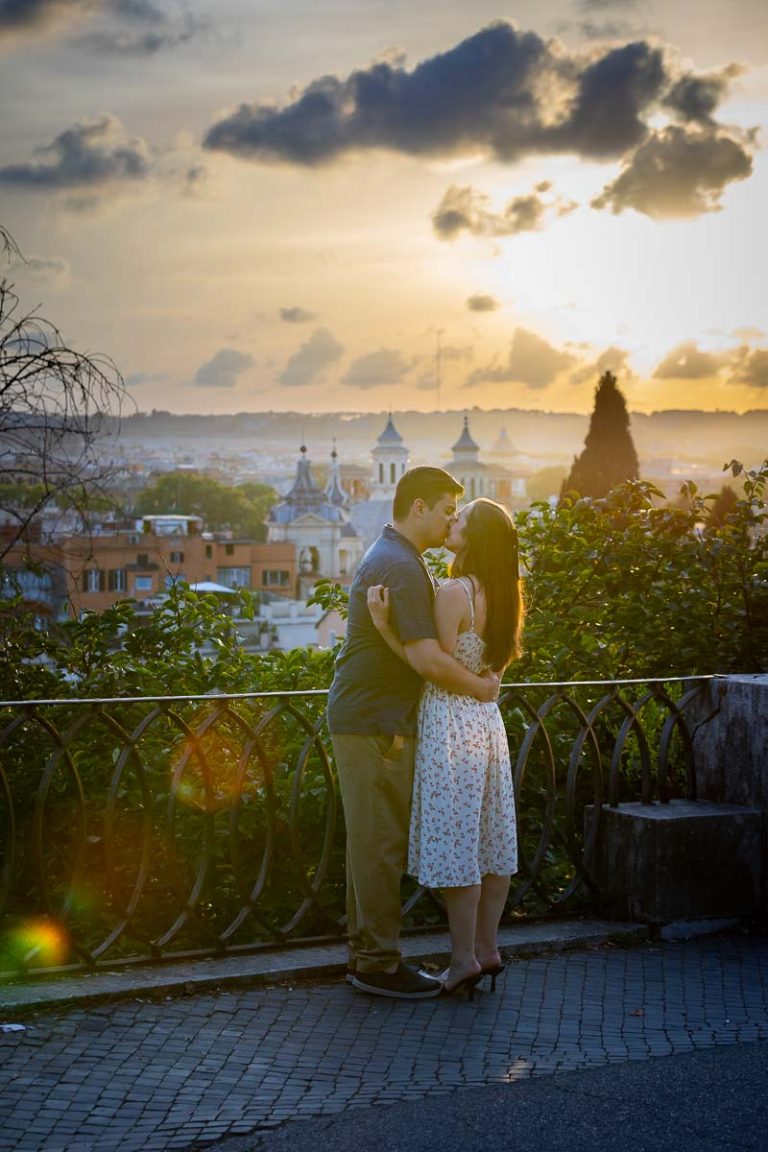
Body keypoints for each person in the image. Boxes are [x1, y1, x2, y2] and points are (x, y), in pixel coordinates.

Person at [327, 468, 501, 1000]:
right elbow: (427, 658)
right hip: (375, 720)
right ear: (419, 507)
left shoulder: (398, 558)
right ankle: (377, 964)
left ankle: (368, 956)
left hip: (370, 716)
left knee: (372, 841)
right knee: (380, 844)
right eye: (449, 508)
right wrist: (481, 688)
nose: (453, 517)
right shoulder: (402, 567)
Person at [367, 497, 523, 998]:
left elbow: (427, 662)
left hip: (450, 723)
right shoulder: (507, 594)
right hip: (487, 723)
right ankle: (488, 949)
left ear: (473, 538)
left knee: (459, 849)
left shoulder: (454, 591)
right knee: (491, 844)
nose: (452, 523)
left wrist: (384, 629)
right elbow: (491, 673)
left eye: (462, 520)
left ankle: (461, 961)